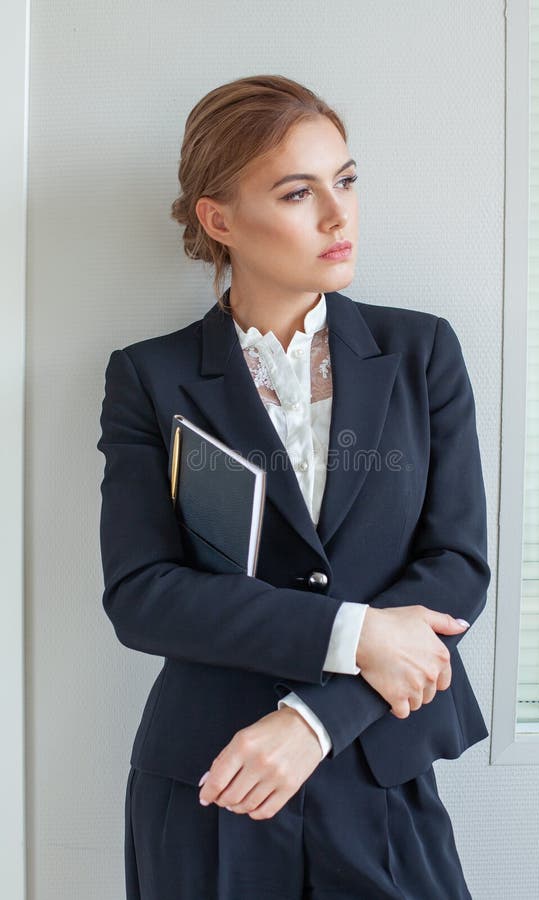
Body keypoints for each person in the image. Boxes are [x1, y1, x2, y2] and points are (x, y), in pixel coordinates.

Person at [97, 74, 491, 900]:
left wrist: (314, 721)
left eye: (345, 181)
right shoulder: (151, 378)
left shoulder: (421, 356)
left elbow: (453, 571)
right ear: (220, 219)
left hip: (379, 770)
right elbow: (143, 595)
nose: (339, 216)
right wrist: (355, 633)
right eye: (297, 192)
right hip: (213, 783)